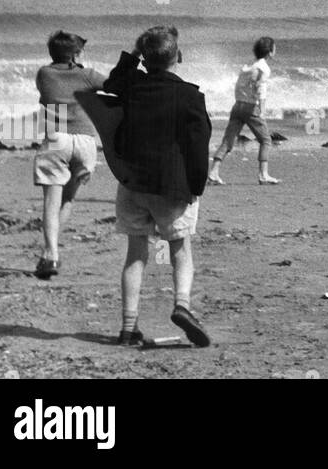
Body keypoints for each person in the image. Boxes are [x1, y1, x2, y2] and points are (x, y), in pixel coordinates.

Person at [101, 26, 213, 346]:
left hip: (133, 183)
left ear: (144, 60)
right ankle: (182, 305)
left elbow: (111, 84)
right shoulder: (191, 96)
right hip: (172, 187)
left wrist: (135, 54)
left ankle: (128, 327)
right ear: (178, 56)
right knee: (180, 249)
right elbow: (197, 145)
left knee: (136, 254)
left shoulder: (133, 88)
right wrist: (196, 186)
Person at [32, 31, 105, 280]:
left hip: (57, 139)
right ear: (75, 54)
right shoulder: (87, 74)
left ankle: (51, 254)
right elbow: (117, 85)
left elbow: (47, 97)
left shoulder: (44, 73)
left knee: (51, 202)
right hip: (86, 142)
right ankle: (48, 252)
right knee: (68, 200)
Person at [208, 37, 278, 186]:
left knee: (228, 140)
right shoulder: (263, 68)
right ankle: (263, 174)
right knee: (266, 140)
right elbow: (261, 88)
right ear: (269, 52)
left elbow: (239, 85)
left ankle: (214, 172)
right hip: (250, 107)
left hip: (237, 105)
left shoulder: (249, 65)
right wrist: (262, 110)